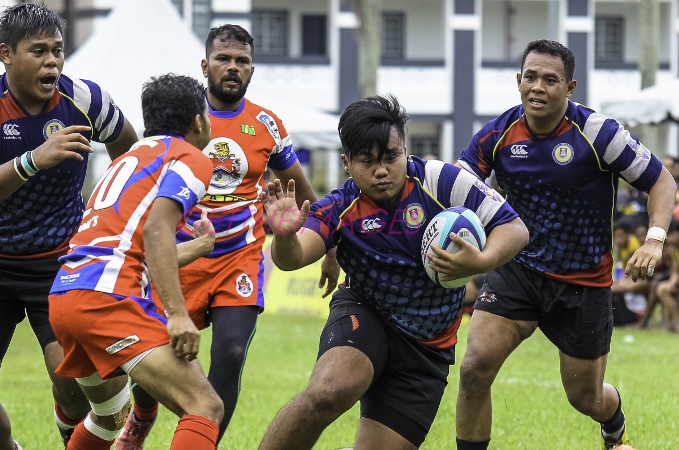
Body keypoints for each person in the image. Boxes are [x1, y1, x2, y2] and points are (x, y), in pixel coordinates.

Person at [257, 95, 528, 450]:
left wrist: (480, 261)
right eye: (367, 161)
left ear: (405, 149)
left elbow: (514, 228)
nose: (381, 170)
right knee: (331, 389)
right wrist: (285, 233)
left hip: (427, 349)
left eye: (390, 157)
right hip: (368, 314)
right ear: (347, 163)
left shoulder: (443, 182)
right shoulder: (340, 205)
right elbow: (292, 259)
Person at [119, 24, 340, 448]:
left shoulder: (267, 125)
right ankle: (142, 415)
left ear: (252, 69)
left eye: (242, 61)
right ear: (205, 65)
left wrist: (330, 251)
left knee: (232, 352)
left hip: (239, 255)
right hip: (181, 253)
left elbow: (307, 198)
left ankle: (206, 442)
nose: (232, 67)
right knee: (158, 351)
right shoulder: (183, 117)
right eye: (223, 59)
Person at [454, 39, 677, 450]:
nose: (538, 87)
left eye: (550, 80)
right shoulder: (499, 132)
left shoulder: (598, 133)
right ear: (518, 80)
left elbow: (661, 181)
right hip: (517, 272)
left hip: (583, 283)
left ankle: (614, 430)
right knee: (474, 367)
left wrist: (654, 240)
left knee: (585, 398)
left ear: (570, 87)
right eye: (531, 77)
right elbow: (456, 184)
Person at [0, 4, 138, 449]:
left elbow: (132, 153)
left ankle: (76, 430)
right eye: (39, 51)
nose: (52, 61)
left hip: (61, 262)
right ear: (6, 55)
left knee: (73, 386)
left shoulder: (85, 100)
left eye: (58, 51)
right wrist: (33, 161)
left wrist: (111, 215)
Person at [48, 73, 223, 450]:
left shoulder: (130, 158)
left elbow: (131, 247)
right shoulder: (190, 157)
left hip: (66, 294)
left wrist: (199, 246)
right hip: (105, 298)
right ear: (198, 121)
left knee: (110, 417)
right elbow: (156, 231)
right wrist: (177, 314)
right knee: (204, 405)